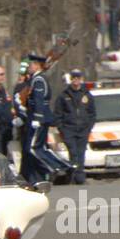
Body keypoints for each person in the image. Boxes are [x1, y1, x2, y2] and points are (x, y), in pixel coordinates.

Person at [22, 52, 72, 184]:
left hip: (40, 117)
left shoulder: (38, 79)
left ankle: (56, 167)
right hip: (39, 117)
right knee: (41, 148)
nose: (29, 67)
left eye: (31, 64)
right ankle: (63, 165)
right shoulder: (36, 78)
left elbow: (39, 99)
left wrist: (37, 118)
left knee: (33, 148)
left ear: (37, 65)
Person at [55, 69, 96, 184]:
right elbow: (58, 114)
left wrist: (89, 127)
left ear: (81, 79)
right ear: (71, 80)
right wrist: (61, 128)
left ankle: (80, 177)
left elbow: (92, 113)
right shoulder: (64, 95)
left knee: (81, 153)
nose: (76, 81)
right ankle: (73, 176)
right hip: (69, 129)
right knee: (73, 153)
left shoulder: (86, 94)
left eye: (78, 78)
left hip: (83, 129)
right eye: (74, 78)